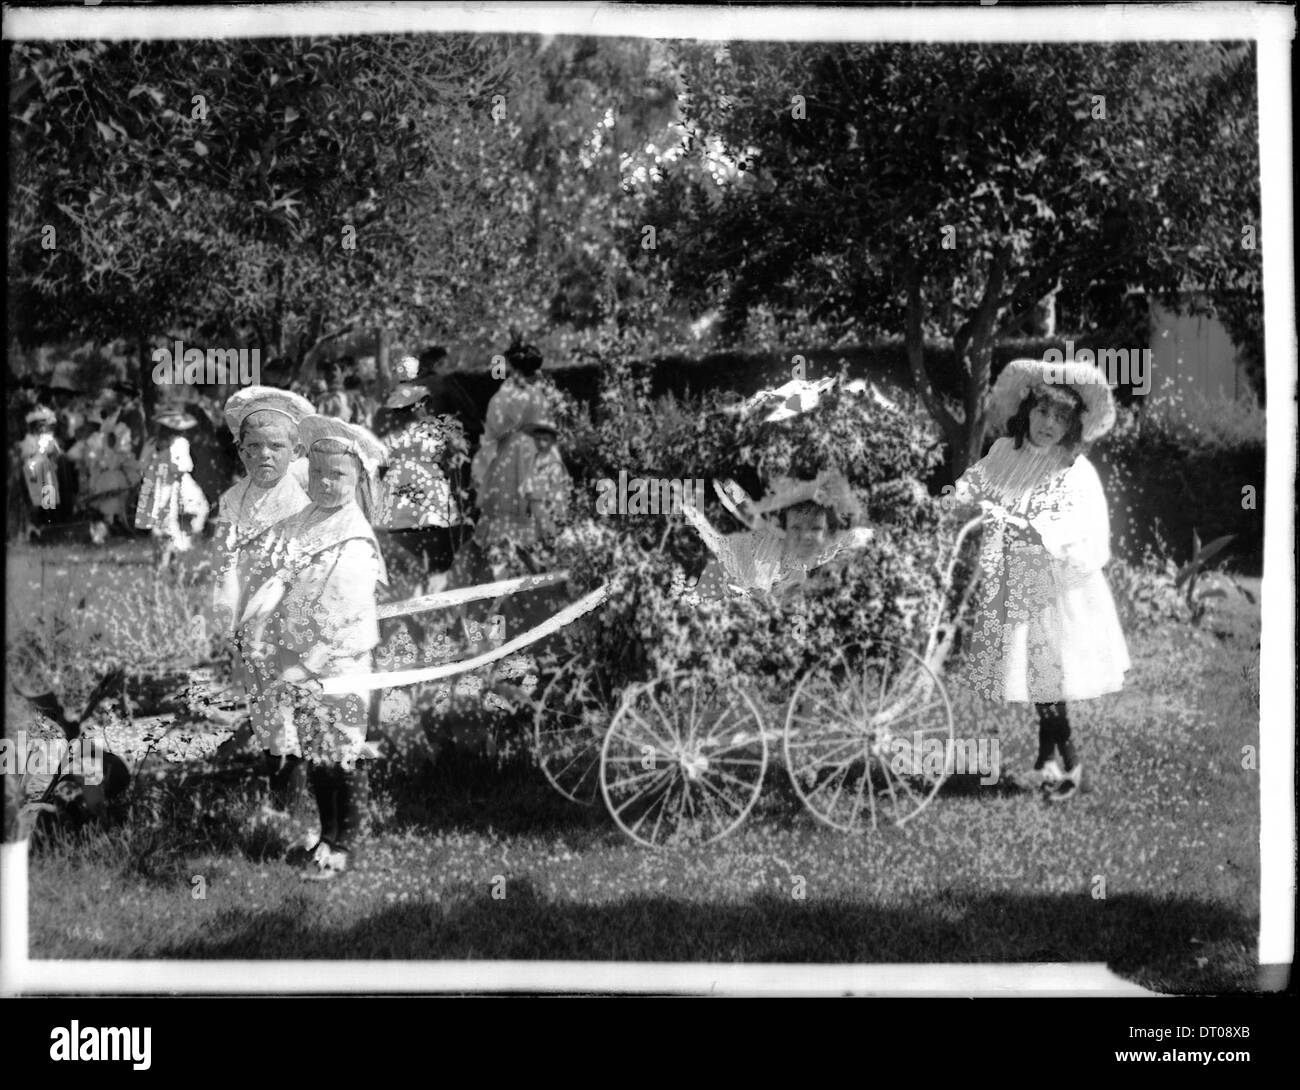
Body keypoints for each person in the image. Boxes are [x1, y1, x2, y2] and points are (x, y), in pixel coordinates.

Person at [949, 357, 1129, 802]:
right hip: (1015, 584)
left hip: (1058, 587)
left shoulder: (1072, 469)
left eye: (1061, 417)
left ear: (1072, 426)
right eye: (1043, 411)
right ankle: (1048, 761)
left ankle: (1070, 761)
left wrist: (1048, 540)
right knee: (1040, 680)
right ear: (1027, 410)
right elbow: (973, 489)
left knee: (1048, 678)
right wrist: (959, 504)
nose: (1049, 423)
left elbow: (1090, 530)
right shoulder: (1004, 455)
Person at [235, 415, 388, 880]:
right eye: (318, 473)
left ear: (358, 478)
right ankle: (326, 834)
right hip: (299, 658)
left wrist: (309, 666)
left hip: (337, 661)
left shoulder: (355, 538)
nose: (325, 483)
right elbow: (278, 574)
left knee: (338, 750)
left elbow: (343, 614)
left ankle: (343, 844)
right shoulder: (302, 522)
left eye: (337, 475)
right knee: (316, 748)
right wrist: (254, 622)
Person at [212, 387, 315, 798]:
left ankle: (316, 779)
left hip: (301, 612)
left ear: (297, 450)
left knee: (306, 692)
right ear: (240, 451)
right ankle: (280, 783)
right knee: (265, 700)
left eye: (276, 446)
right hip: (254, 623)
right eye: (253, 447)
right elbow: (225, 566)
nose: (264, 456)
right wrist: (227, 616)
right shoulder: (233, 501)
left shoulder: (306, 493)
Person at [684, 470, 869, 601]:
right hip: (773, 545)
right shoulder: (759, 569)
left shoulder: (744, 568)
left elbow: (728, 536)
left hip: (763, 544)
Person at [376, 382, 470, 578]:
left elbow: (379, 464)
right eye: (423, 405)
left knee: (411, 542)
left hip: (399, 500)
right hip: (427, 492)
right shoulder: (430, 432)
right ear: (417, 407)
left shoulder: (392, 438)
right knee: (433, 538)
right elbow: (456, 449)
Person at [134, 409, 210, 568]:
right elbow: (143, 465)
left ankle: (174, 558)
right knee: (162, 522)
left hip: (176, 484)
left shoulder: (179, 443)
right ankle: (165, 558)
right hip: (162, 485)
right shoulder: (154, 445)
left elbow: (185, 466)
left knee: (176, 522)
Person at [84, 427, 141, 542]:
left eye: (113, 439)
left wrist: (133, 478)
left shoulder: (121, 454)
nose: (111, 442)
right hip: (104, 483)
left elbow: (131, 466)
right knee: (106, 506)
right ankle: (105, 530)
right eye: (109, 440)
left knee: (118, 506)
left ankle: (118, 528)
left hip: (118, 483)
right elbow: (95, 470)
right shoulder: (99, 455)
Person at [18, 406, 63, 542]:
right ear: (32, 427)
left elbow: (56, 453)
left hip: (47, 472)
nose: (41, 428)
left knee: (49, 502)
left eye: (43, 425)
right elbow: (27, 456)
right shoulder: (27, 440)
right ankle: (36, 529)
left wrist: (52, 451)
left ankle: (49, 529)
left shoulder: (47, 438)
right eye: (38, 426)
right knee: (37, 502)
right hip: (34, 473)